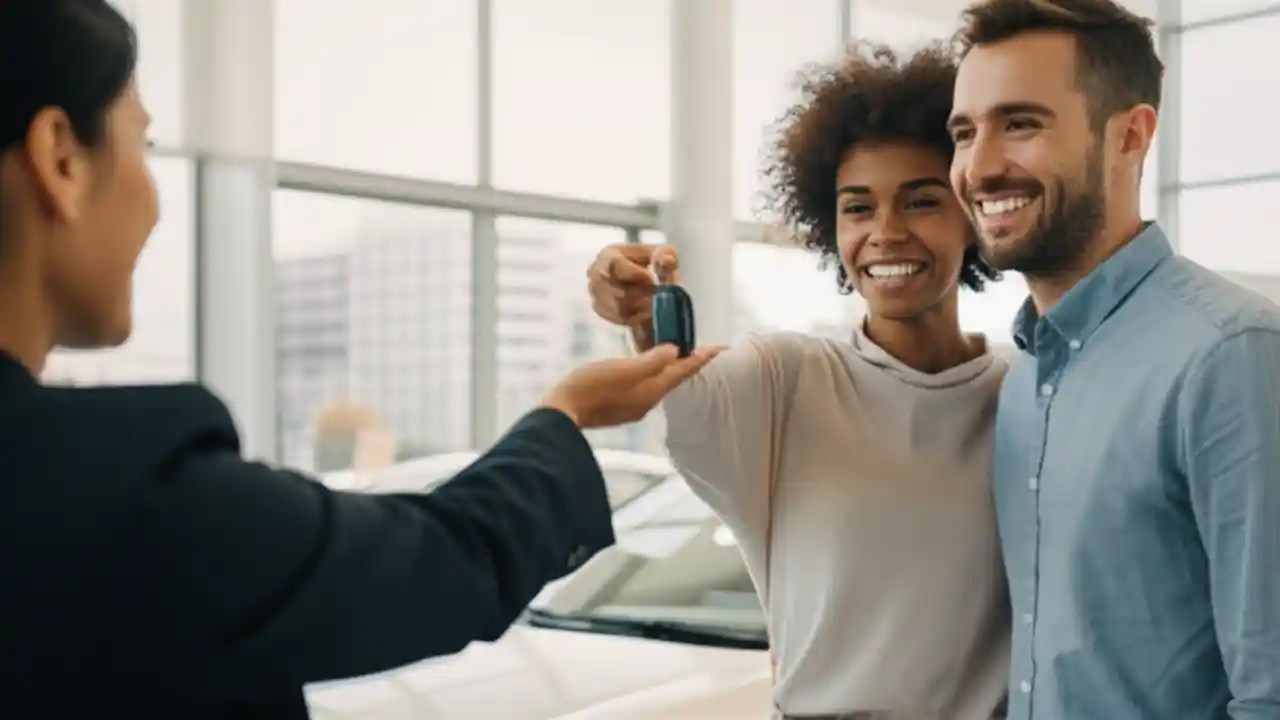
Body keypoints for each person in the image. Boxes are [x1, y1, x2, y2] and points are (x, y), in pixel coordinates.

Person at [0, 0, 717, 716]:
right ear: (60, 158)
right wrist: (567, 411)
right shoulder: (127, 490)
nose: (155, 203)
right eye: (144, 146)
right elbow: (443, 559)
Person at [589, 42, 1012, 719]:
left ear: (970, 213)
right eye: (858, 208)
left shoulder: (1026, 391)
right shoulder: (783, 379)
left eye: (921, 201)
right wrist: (636, 309)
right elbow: (685, 380)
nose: (886, 232)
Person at [946, 0, 1280, 717]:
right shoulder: (1023, 379)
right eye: (964, 133)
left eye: (1021, 124)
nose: (980, 167)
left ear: (1130, 135)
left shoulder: (1230, 355)